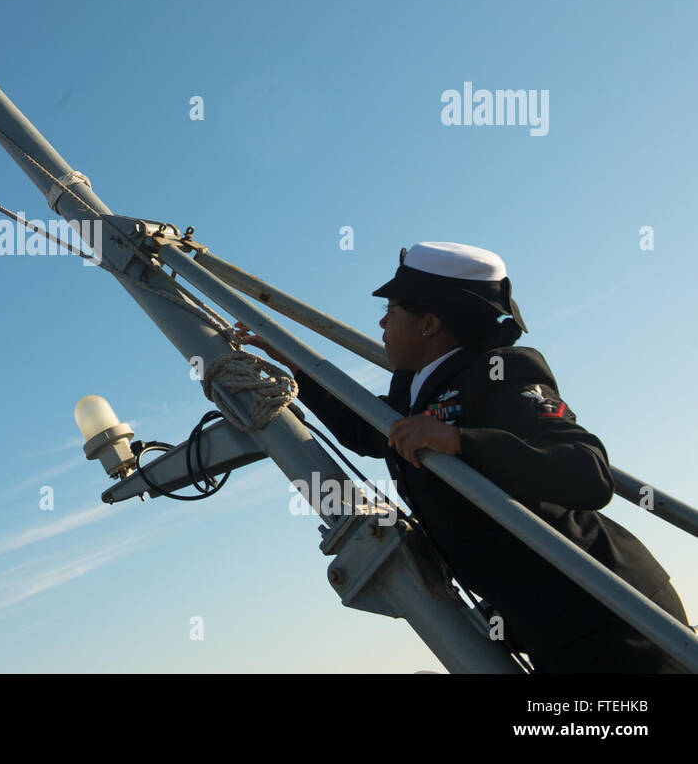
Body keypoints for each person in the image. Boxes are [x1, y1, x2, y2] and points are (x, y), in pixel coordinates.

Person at [234, 241, 691, 673]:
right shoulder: (414, 388)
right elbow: (365, 432)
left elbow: (588, 471)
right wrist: (293, 365)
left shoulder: (502, 373)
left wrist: (460, 441)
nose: (382, 324)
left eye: (391, 311)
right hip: (547, 627)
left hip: (615, 619)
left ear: (429, 323)